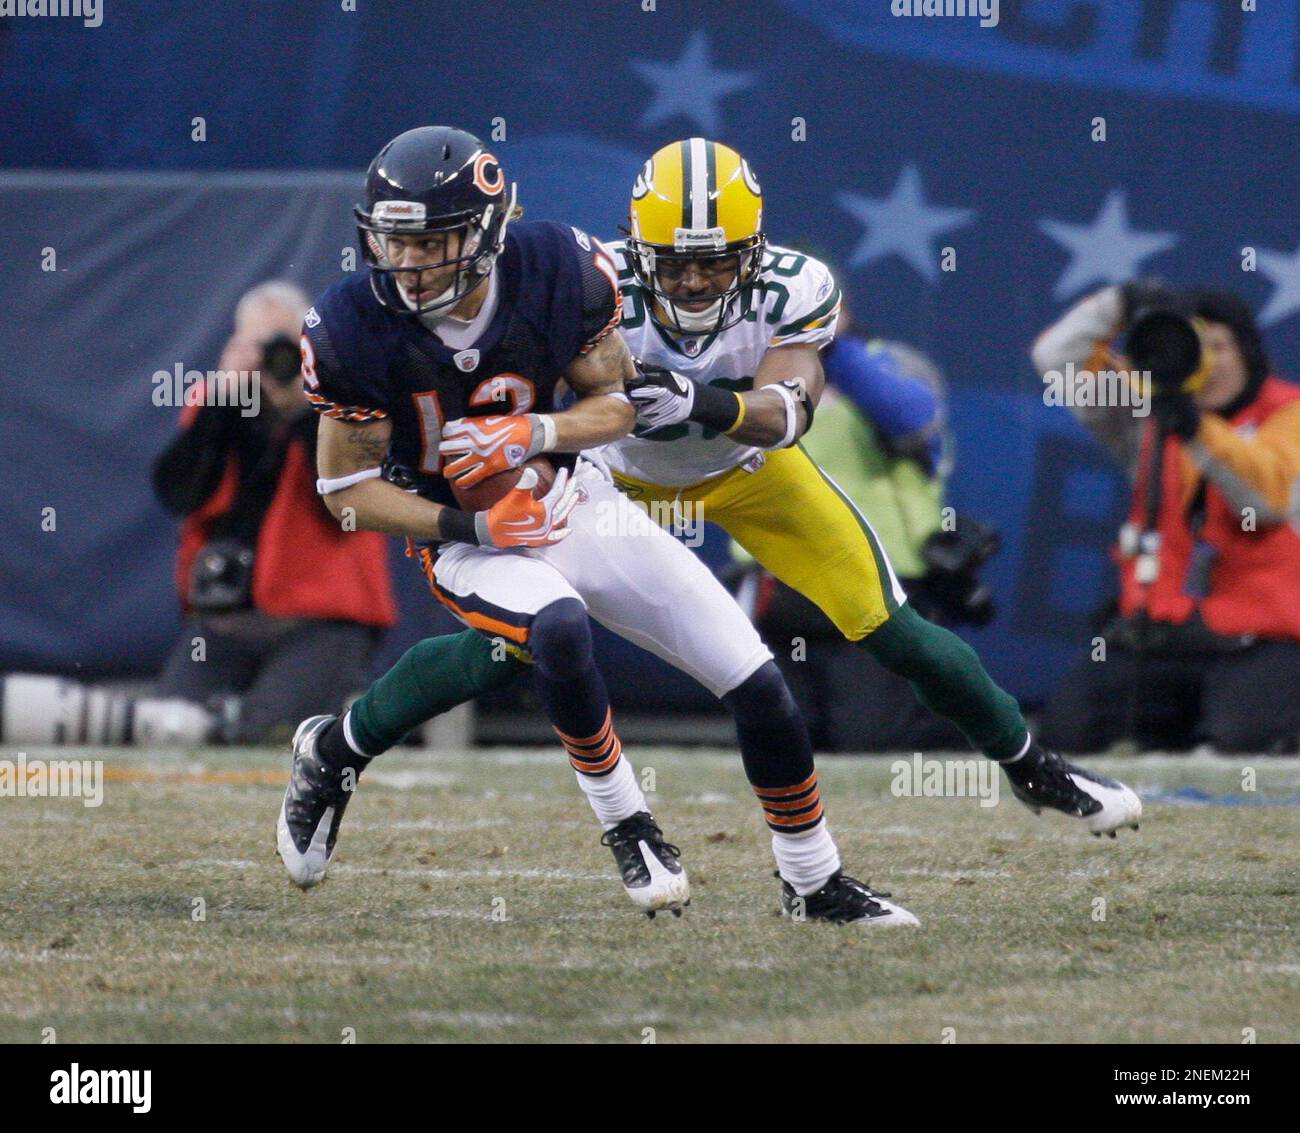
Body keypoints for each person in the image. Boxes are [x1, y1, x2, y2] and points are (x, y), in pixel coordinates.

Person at [277, 126, 919, 927]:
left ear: (484, 235)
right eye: (394, 242)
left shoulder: (556, 270)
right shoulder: (348, 326)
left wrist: (533, 435)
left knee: (754, 678)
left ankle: (813, 882)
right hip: (463, 539)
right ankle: (629, 823)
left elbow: (615, 404)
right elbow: (343, 490)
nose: (408, 265)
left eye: (431, 242)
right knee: (558, 626)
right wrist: (472, 523)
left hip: (579, 499)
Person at [1031, 283, 1300, 753]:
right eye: (1195, 348)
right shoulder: (1145, 408)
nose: (1209, 364)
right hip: (1160, 635)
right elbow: (1055, 360)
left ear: (1250, 351)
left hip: (1261, 639)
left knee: (1243, 746)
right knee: (1066, 736)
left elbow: (1266, 501)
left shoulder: (1290, 412)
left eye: (1220, 346)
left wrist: (1195, 429)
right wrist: (1121, 303)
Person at [150, 280, 396, 743]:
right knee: (170, 729)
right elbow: (179, 494)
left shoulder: (345, 403)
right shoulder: (217, 400)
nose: (274, 362)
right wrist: (222, 401)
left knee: (270, 733)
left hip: (321, 620)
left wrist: (307, 412)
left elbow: (344, 513)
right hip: (225, 618)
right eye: (260, 347)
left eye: (285, 346)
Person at [730, 317, 992, 751]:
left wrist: (830, 350)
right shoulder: (743, 363)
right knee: (784, 738)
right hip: (776, 582)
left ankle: (973, 725)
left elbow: (913, 419)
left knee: (871, 739)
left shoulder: (890, 361)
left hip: (874, 575)